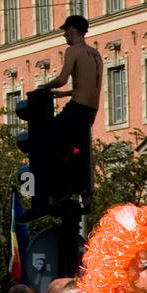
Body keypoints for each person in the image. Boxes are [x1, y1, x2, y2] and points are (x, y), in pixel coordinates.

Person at [39, 15, 100, 190]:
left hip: (77, 108)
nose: (64, 34)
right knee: (77, 148)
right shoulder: (95, 54)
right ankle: (76, 182)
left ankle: (59, 185)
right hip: (90, 111)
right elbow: (90, 86)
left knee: (47, 136)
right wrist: (64, 94)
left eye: (66, 30)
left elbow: (62, 78)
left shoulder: (73, 51)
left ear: (73, 29)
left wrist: (44, 87)